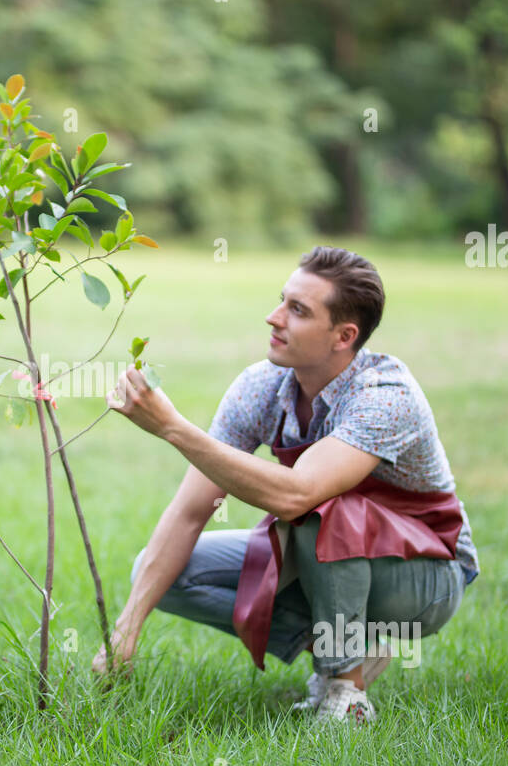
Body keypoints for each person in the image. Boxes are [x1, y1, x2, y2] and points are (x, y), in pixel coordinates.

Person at [94, 246, 479, 725]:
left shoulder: (386, 395)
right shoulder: (261, 386)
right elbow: (192, 509)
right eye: (282, 301)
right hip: (333, 555)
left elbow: (297, 495)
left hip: (427, 577)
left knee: (317, 512)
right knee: (165, 575)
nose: (273, 318)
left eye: (297, 311)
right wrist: (125, 632)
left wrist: (174, 427)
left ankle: (346, 691)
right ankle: (348, 648)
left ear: (344, 336)